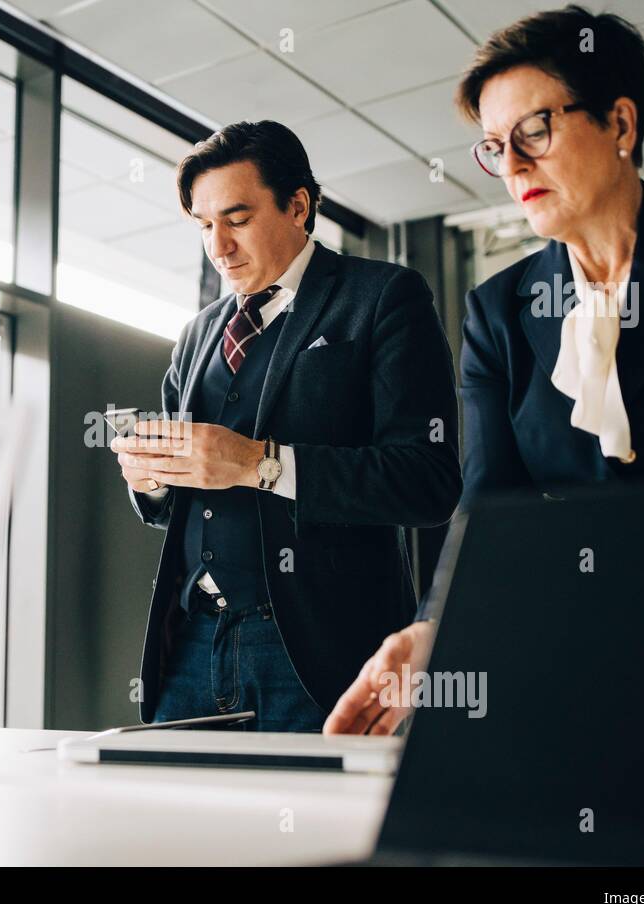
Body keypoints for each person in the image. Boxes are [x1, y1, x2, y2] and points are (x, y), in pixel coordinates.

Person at [326, 5, 644, 736]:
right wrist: (436, 631)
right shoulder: (498, 313)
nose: (510, 166)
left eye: (534, 131)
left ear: (621, 125)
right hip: (582, 680)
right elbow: (488, 505)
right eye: (492, 146)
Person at [111, 121, 460, 733]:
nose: (218, 247)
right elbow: (176, 508)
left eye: (237, 218)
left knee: (322, 828)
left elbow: (427, 480)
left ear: (299, 206)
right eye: (203, 225)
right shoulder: (196, 335)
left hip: (318, 649)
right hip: (191, 643)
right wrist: (153, 480)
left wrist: (258, 462)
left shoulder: (383, 297)